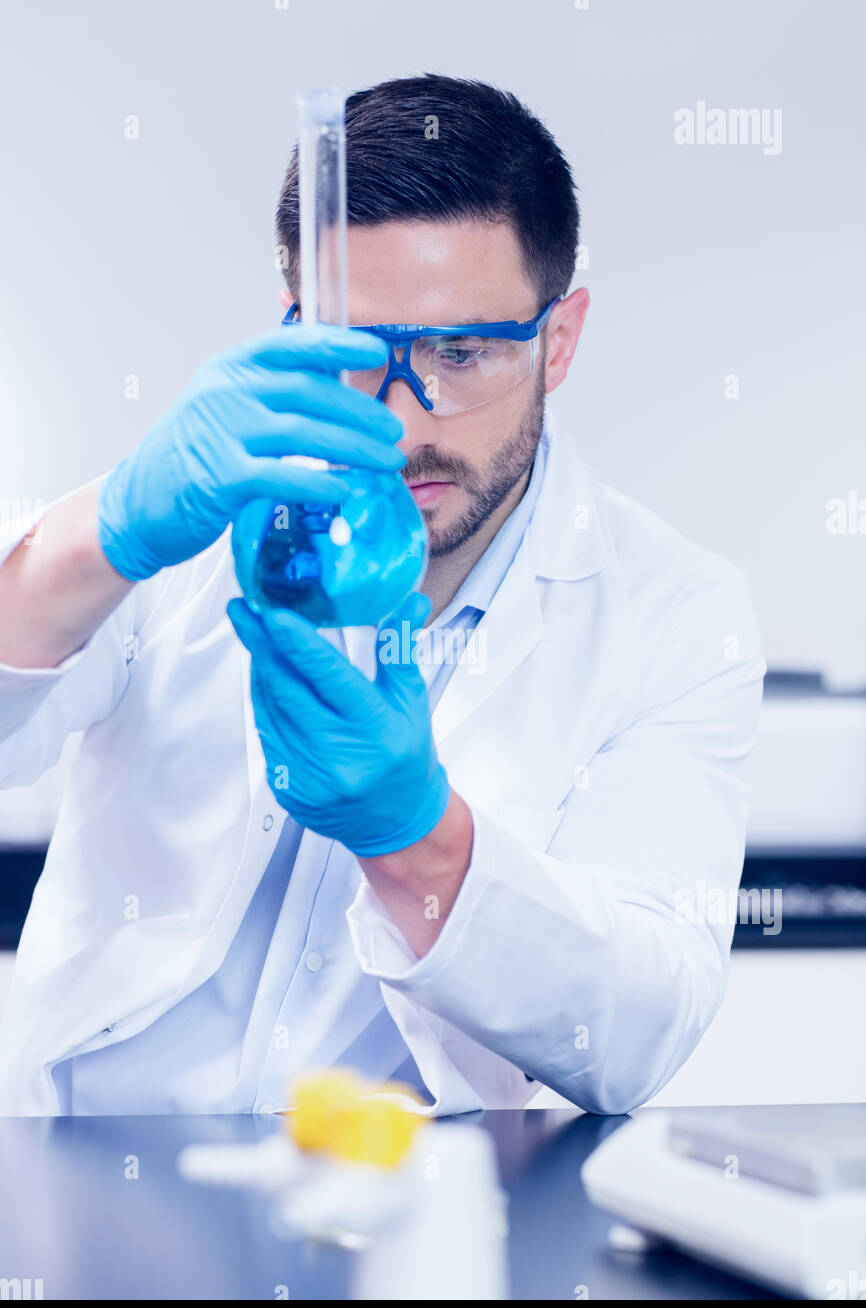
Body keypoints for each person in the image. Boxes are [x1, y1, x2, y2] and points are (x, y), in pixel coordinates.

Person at [0, 75, 764, 1117]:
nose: (405, 422)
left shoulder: (673, 614)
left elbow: (636, 1030)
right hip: (79, 1174)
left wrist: (415, 836)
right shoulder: (188, 509)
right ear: (295, 326)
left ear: (559, 337)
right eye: (361, 356)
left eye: (461, 353)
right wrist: (106, 535)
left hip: (411, 1221)